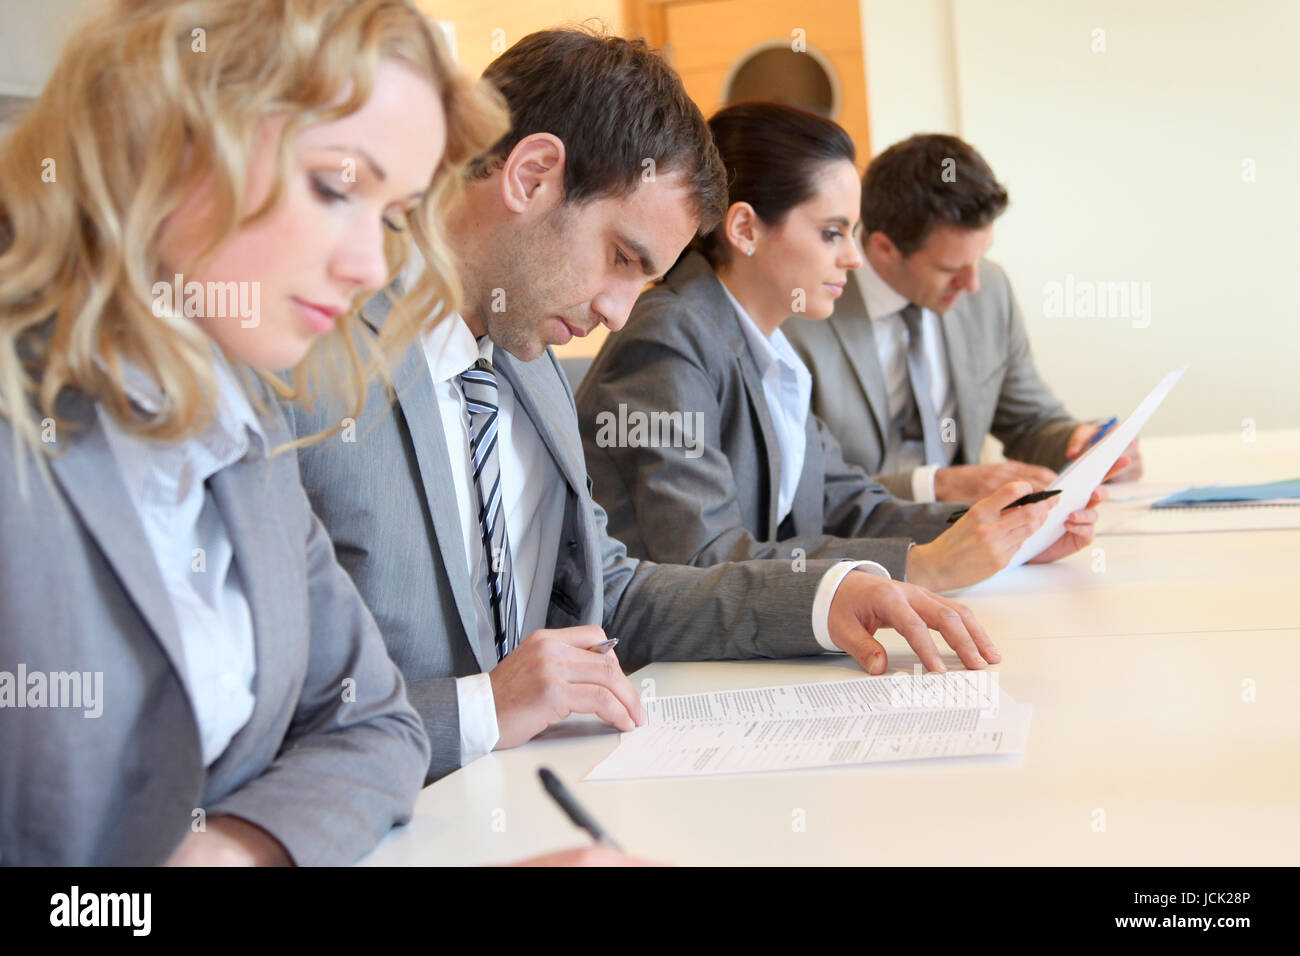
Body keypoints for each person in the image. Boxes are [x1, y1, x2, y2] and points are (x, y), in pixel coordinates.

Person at [291, 29, 999, 791]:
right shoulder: (310, 363)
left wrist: (827, 596)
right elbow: (256, 724)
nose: (621, 312)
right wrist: (480, 711)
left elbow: (614, 593)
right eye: (623, 259)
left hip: (541, 797)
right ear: (531, 176)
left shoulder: (529, 370)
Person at [0, 0, 615, 867]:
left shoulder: (233, 422)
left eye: (394, 216)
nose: (370, 265)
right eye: (335, 186)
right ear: (169, 136)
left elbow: (371, 720)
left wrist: (244, 849)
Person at [576, 103, 1118, 589]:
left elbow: (850, 506)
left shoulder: (765, 345)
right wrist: (920, 566)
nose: (854, 260)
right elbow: (703, 559)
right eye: (833, 233)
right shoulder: (670, 336)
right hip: (650, 674)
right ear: (744, 229)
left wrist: (1010, 529)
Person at [781, 132, 1141, 503]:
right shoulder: (800, 311)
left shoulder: (990, 289)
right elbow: (799, 487)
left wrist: (1080, 442)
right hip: (860, 549)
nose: (971, 283)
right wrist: (936, 487)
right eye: (950, 267)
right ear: (884, 249)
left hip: (976, 537)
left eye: (979, 258)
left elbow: (1028, 422)